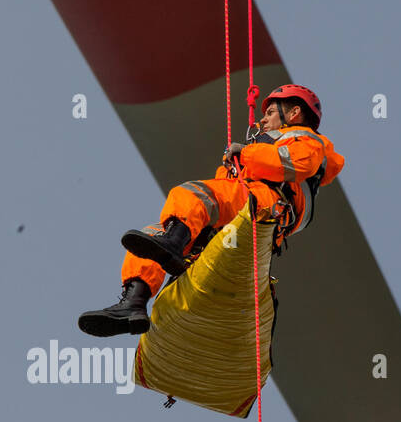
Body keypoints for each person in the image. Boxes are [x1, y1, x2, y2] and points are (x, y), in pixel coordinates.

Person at [77, 84, 345, 337]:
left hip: (264, 204)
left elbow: (294, 164)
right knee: (152, 234)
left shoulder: (305, 140)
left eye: (271, 112)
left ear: (295, 112)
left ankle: (172, 244)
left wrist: (247, 154)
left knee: (192, 194)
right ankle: (133, 303)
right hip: (243, 209)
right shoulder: (273, 142)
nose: (263, 120)